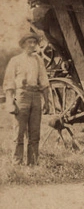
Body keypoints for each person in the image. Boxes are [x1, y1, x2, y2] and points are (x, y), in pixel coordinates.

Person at [3, 33, 51, 165]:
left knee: (35, 133)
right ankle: (17, 163)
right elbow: (9, 83)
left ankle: (33, 164)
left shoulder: (38, 60)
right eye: (29, 42)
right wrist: (10, 102)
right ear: (23, 44)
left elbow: (44, 82)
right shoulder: (15, 60)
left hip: (36, 97)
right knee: (19, 133)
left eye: (34, 42)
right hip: (21, 96)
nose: (32, 45)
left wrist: (46, 101)